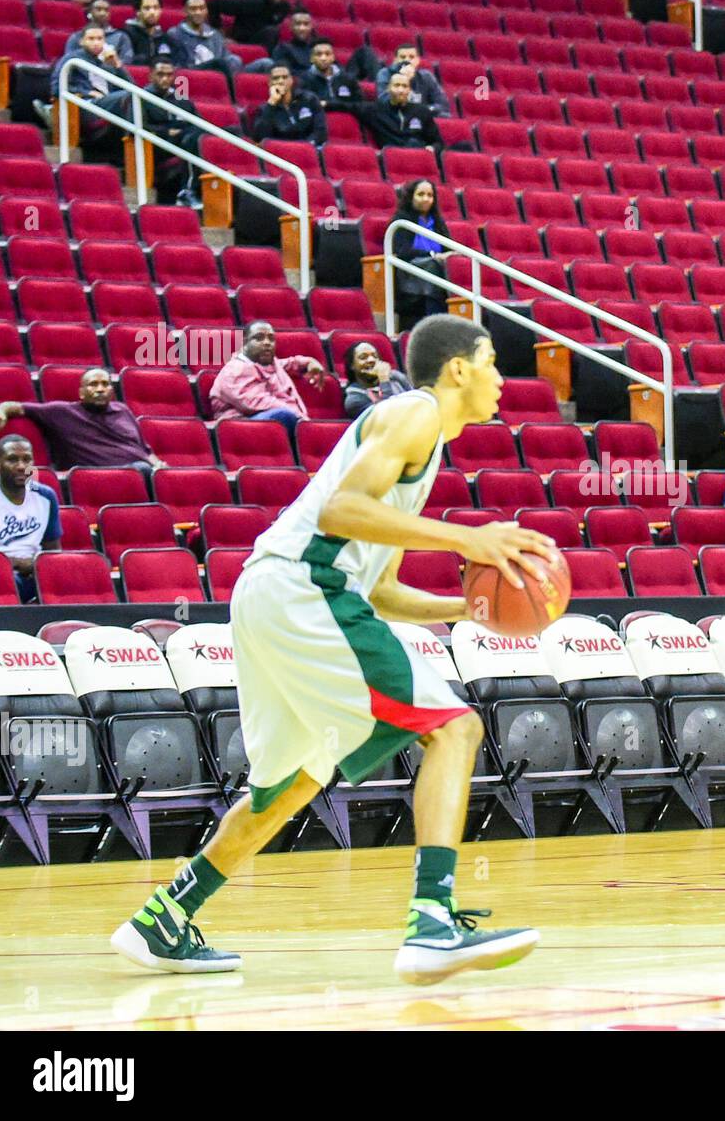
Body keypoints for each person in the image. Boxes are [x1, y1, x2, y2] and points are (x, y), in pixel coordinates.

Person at [110, 315, 556, 983]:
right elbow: (339, 513)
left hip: (276, 593)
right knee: (455, 729)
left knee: (288, 787)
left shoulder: (420, 445)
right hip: (301, 587)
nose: (500, 378)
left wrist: (466, 609)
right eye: (491, 361)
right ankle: (432, 919)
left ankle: (166, 916)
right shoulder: (416, 412)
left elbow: (378, 590)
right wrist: (469, 541)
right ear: (458, 368)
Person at [0, 368, 164, 476]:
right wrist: (1, 409)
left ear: (111, 390)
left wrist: (160, 466)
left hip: (143, 471)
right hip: (99, 476)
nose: (100, 389)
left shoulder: (123, 410)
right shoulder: (61, 412)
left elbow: (146, 450)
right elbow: (19, 407)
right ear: (81, 392)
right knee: (142, 470)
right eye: (93, 385)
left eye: (104, 384)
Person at [0, 436, 62, 603]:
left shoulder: (46, 496)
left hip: (34, 573)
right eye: (12, 459)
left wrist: (37, 566)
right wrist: (17, 563)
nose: (21, 466)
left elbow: (53, 550)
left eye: (27, 460)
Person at [209, 321, 325, 434]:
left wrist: (309, 362)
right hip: (241, 426)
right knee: (284, 415)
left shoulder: (269, 363)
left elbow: (288, 363)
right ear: (245, 343)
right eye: (259, 338)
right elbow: (257, 403)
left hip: (271, 420)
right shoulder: (235, 370)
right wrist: (302, 419)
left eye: (271, 338)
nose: (267, 343)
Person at [35, 24, 131, 135]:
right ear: (82, 41)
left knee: (133, 98)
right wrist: (87, 92)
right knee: (126, 97)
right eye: (91, 39)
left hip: (107, 104)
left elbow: (131, 89)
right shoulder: (72, 59)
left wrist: (118, 66)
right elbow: (57, 88)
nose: (96, 43)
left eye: (100, 39)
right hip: (85, 105)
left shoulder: (108, 62)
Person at [140, 59, 202, 207]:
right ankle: (186, 192)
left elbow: (199, 123)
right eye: (160, 74)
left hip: (185, 138)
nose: (165, 79)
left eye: (169, 75)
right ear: (151, 76)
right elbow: (138, 127)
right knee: (192, 138)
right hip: (160, 145)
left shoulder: (180, 98)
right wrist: (167, 131)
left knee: (229, 131)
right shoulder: (141, 97)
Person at [390, 179, 451, 329]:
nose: (426, 199)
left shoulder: (436, 221)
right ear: (411, 197)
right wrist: (431, 254)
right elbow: (402, 251)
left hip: (436, 270)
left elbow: (448, 247)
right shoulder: (401, 220)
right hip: (411, 273)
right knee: (433, 265)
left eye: (430, 195)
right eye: (421, 194)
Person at [166, 0, 245, 86]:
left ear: (207, 10)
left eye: (202, 8)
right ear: (185, 11)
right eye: (193, 9)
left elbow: (226, 57)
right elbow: (179, 65)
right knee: (220, 63)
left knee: (262, 63)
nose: (198, 12)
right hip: (192, 73)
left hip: (218, 72)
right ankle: (232, 97)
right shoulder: (175, 34)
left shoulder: (215, 34)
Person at [209, 0, 292, 57]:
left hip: (262, 41)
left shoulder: (284, 7)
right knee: (272, 31)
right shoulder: (253, 3)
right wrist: (218, 32)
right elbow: (214, 4)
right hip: (242, 42)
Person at [364, 70, 444, 150]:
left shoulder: (422, 111)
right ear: (388, 88)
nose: (401, 90)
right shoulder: (375, 110)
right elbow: (353, 105)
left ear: (409, 90)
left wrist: (432, 148)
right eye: (396, 85)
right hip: (391, 156)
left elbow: (438, 143)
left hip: (417, 154)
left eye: (405, 86)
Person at [250, 65, 325, 145]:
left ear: (291, 80)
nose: (281, 81)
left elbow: (321, 131)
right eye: (276, 78)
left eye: (285, 77)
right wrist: (272, 103)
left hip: (309, 148)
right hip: (280, 151)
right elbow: (258, 138)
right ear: (269, 83)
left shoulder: (309, 99)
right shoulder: (265, 109)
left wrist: (305, 146)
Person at [343, 341, 414, 420]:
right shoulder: (354, 400)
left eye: (375, 356)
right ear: (352, 365)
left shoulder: (396, 377)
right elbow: (386, 416)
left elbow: (418, 400)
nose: (371, 360)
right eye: (363, 357)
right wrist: (383, 380)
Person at [375, 45, 451, 117]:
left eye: (411, 57)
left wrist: (423, 110)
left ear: (418, 60)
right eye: (402, 57)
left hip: (422, 117)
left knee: (445, 116)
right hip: (396, 117)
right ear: (395, 60)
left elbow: (443, 105)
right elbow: (385, 101)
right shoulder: (384, 74)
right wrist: (405, 80)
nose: (407, 60)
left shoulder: (427, 76)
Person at [299, 40, 364, 115]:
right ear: (311, 58)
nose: (323, 58)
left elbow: (360, 106)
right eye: (319, 54)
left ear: (333, 57)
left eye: (327, 54)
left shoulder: (348, 78)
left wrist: (328, 104)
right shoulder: (304, 80)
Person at [62, 0, 134, 65]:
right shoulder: (77, 36)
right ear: (90, 12)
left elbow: (126, 61)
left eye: (106, 10)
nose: (102, 13)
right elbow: (69, 60)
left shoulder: (121, 37)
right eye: (98, 9)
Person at [122, 0, 176, 66]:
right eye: (147, 8)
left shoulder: (166, 38)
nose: (152, 12)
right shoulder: (126, 35)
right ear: (137, 12)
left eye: (156, 8)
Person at [272, 11, 318, 78]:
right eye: (298, 24)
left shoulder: (318, 49)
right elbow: (284, 73)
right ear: (291, 27)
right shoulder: (282, 48)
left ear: (311, 27)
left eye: (306, 24)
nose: (302, 28)